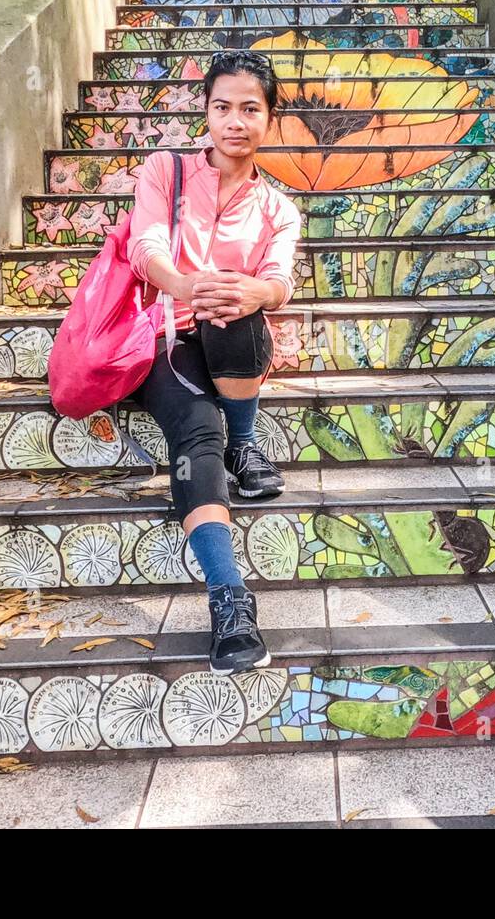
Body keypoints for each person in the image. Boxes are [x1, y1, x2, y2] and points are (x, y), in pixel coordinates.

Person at [125, 50, 301, 675]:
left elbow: (278, 278)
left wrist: (257, 291)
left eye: (250, 109)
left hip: (231, 341)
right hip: (165, 341)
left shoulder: (279, 208)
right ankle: (230, 599)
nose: (235, 121)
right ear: (205, 112)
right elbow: (145, 244)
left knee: (238, 299)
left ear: (269, 120)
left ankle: (246, 441)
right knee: (198, 438)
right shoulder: (165, 172)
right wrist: (179, 285)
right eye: (222, 106)